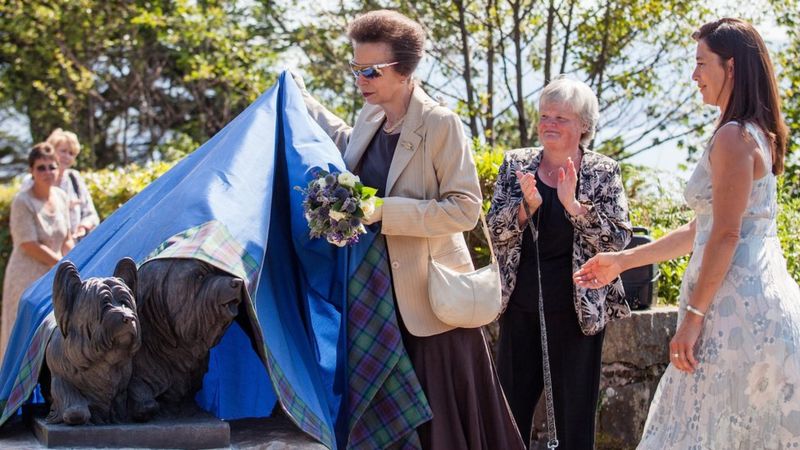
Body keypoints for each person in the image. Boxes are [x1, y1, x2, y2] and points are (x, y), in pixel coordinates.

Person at [294, 10, 525, 449]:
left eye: (370, 70)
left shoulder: (441, 124)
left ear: (403, 71)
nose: (360, 78)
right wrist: (299, 98)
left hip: (430, 307)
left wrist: (383, 210)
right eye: (355, 68)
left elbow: (465, 210)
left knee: (440, 432)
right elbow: (344, 143)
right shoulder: (370, 115)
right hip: (375, 305)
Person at [574, 18, 800, 449]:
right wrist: (622, 261)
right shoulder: (755, 133)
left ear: (730, 67)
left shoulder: (734, 137)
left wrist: (693, 320)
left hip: (731, 315)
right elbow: (703, 229)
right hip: (755, 305)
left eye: (701, 64)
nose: (694, 76)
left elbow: (726, 236)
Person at [487, 76, 632, 449]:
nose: (549, 124)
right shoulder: (516, 165)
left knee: (573, 419)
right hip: (520, 308)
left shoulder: (603, 171)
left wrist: (575, 207)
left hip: (577, 312)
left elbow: (618, 241)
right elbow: (491, 231)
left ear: (583, 125)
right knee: (508, 414)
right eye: (545, 116)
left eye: (561, 118)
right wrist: (523, 209)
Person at [1, 143, 73, 360]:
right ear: (31, 171)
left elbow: (67, 237)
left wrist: (73, 262)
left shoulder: (61, 196)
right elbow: (27, 244)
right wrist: (61, 263)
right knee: (22, 330)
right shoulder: (22, 201)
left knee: (53, 328)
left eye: (52, 167)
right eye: (41, 168)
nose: (47, 173)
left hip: (54, 274)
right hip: (26, 277)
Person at [45, 128, 99, 240]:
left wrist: (84, 226)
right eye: (63, 151)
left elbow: (92, 215)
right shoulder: (39, 179)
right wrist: (63, 206)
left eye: (72, 153)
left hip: (75, 248)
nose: (67, 156)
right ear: (51, 151)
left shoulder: (74, 178)